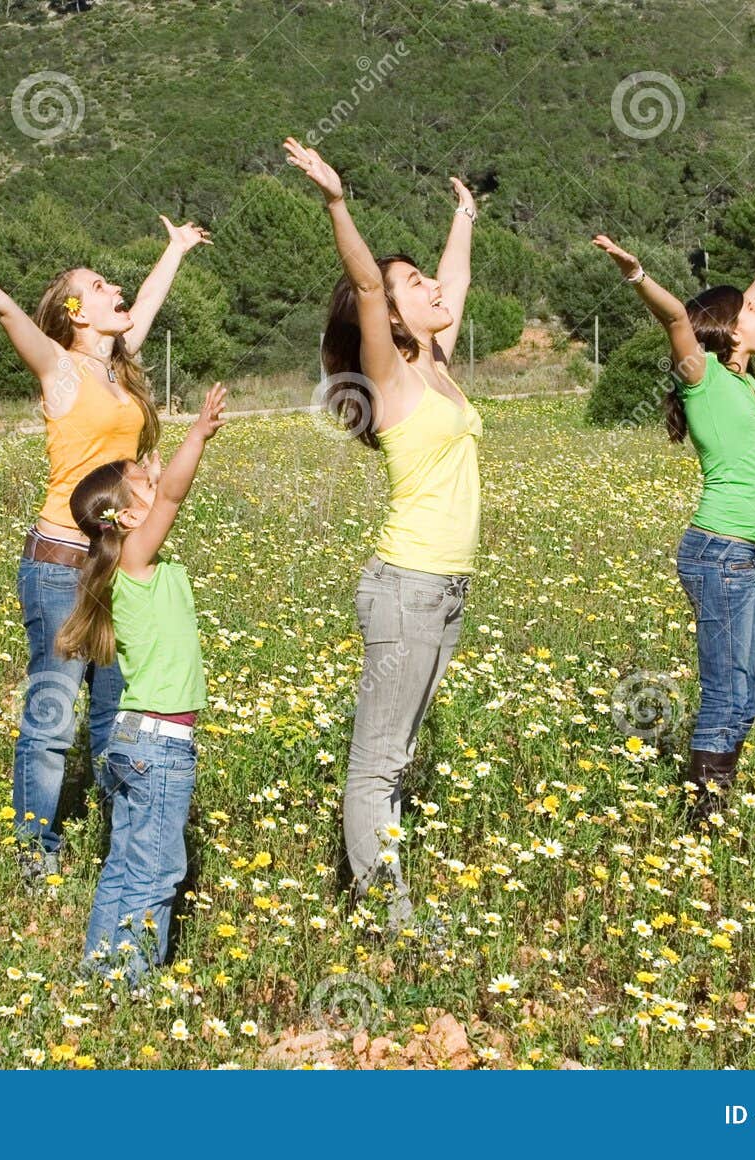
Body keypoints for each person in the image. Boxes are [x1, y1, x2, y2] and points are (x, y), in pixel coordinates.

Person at [0, 198, 209, 887]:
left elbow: (146, 305)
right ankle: (34, 857)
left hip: (115, 561)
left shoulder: (118, 367)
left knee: (114, 711)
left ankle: (112, 836)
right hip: (59, 563)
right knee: (51, 718)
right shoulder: (60, 369)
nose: (115, 290)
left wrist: (177, 251)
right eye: (99, 285)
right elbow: (7, 311)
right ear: (75, 313)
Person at [285, 137, 481, 931]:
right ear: (392, 317)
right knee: (377, 766)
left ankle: (386, 903)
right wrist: (337, 200)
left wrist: (463, 218)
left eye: (424, 278)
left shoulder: (435, 361)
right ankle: (389, 922)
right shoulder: (394, 373)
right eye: (414, 286)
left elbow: (456, 285)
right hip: (406, 586)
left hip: (445, 590)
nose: (431, 287)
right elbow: (368, 283)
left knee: (397, 759)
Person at [592, 233, 755, 827]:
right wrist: (636, 274)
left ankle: (718, 797)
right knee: (727, 693)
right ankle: (703, 820)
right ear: (728, 331)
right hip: (718, 553)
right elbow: (679, 315)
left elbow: (746, 308)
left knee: (754, 694)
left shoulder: (743, 378)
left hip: (743, 555)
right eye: (749, 313)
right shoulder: (701, 378)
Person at [56, 384, 229, 981]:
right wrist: (198, 436)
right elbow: (174, 495)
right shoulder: (133, 561)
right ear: (129, 517)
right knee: (156, 874)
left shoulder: (134, 568)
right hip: (160, 747)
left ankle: (96, 977)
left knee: (124, 867)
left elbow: (162, 494)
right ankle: (128, 991)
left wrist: (148, 464)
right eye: (144, 488)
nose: (157, 489)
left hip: (134, 741)